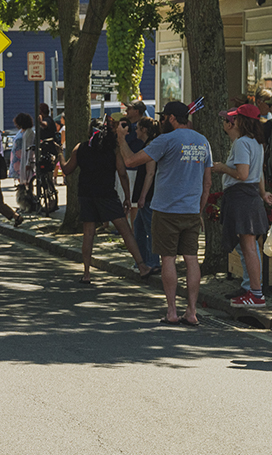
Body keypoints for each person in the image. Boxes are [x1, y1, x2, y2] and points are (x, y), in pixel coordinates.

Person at [116, 101, 212, 326]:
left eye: (163, 117)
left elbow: (131, 160)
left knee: (167, 258)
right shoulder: (203, 141)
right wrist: (199, 209)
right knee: (191, 260)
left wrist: (121, 138)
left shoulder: (165, 140)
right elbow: (207, 183)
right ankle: (192, 311)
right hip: (190, 210)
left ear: (171, 118)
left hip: (166, 209)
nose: (160, 122)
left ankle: (171, 310)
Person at [61, 123, 153, 285]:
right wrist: (126, 196)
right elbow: (122, 174)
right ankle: (142, 266)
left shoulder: (80, 148)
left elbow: (67, 169)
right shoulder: (113, 149)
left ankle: (87, 273)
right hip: (107, 195)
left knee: (88, 234)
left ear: (90, 132)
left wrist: (59, 156)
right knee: (125, 231)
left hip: (86, 194)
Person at [211, 104, 271, 306]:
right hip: (250, 196)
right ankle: (254, 290)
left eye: (233, 119)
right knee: (250, 246)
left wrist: (222, 168)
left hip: (241, 197)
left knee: (248, 247)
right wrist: (262, 193)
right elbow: (258, 173)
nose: (229, 122)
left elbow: (242, 175)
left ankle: (255, 293)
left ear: (241, 121)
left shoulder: (241, 143)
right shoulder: (256, 143)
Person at [131, 117, 161, 273]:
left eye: (137, 128)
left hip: (149, 195)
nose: (135, 131)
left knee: (149, 229)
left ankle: (153, 262)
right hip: (148, 195)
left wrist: (142, 196)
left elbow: (150, 173)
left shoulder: (151, 146)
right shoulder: (148, 145)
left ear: (144, 129)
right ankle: (141, 261)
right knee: (139, 227)